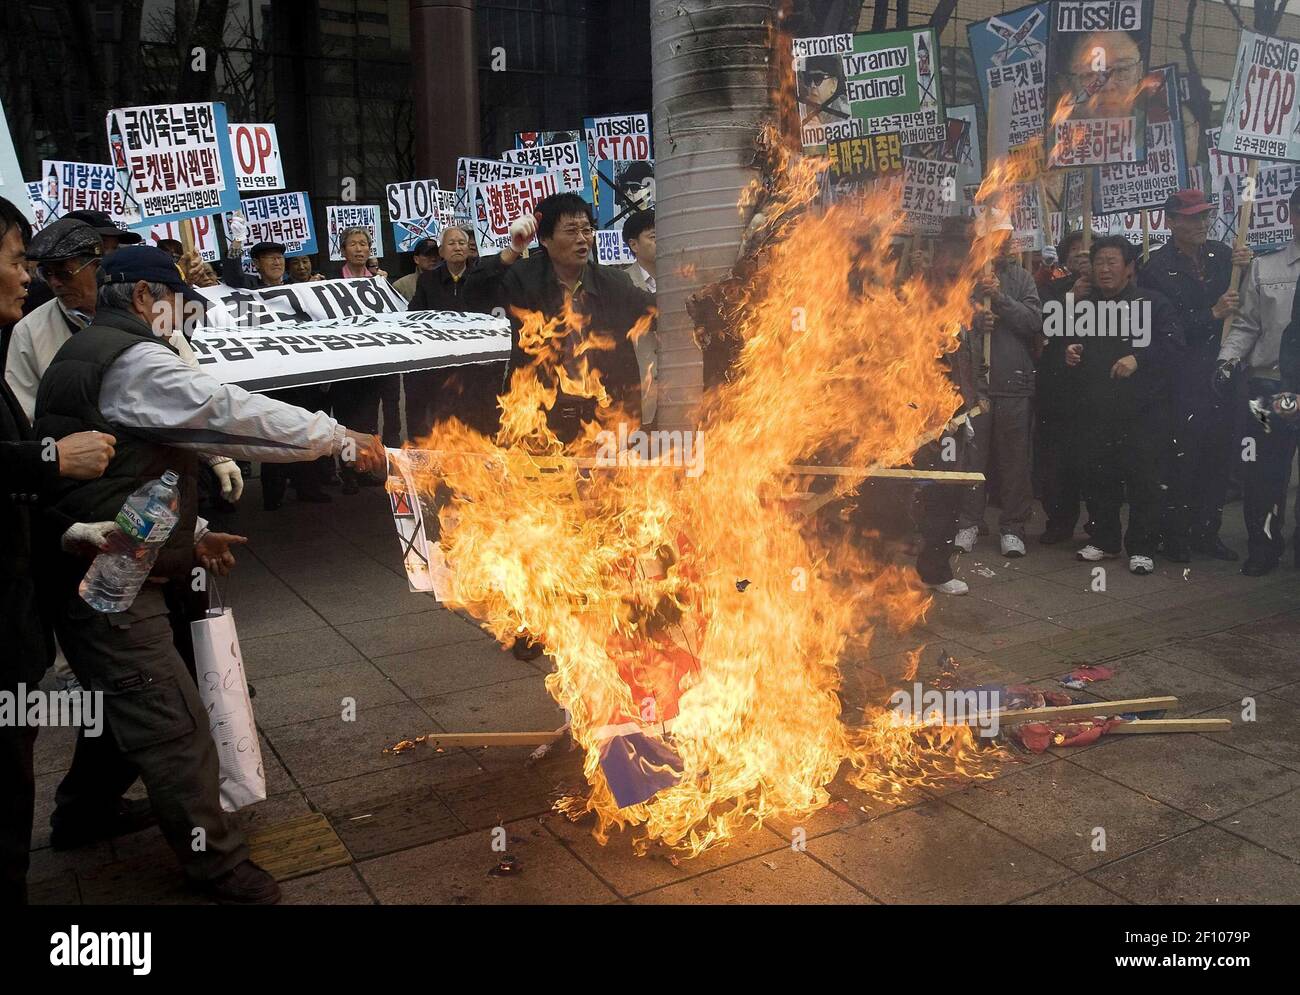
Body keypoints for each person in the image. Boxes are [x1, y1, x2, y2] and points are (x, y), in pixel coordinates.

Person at [31, 245, 384, 903]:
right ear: (144, 298)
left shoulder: (99, 352)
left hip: (114, 557)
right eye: (181, 309)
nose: (187, 324)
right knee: (171, 719)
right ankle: (215, 864)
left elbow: (133, 472)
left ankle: (82, 814)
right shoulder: (135, 361)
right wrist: (339, 437)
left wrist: (190, 535)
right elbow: (228, 416)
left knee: (120, 698)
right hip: (109, 573)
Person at [0, 195, 115, 905]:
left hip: (53, 567)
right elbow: (23, 455)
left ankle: (89, 802)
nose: (25, 276)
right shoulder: (27, 340)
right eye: (17, 261)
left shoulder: (141, 324)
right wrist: (51, 458)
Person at [1139, 188, 1249, 562]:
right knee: (1183, 459)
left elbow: (1245, 304)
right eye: (1191, 217)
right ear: (1170, 222)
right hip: (1182, 379)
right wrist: (1212, 315)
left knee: (1218, 458)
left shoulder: (1222, 256)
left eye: (1204, 216)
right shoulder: (1153, 268)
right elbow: (1161, 328)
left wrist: (1246, 268)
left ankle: (1208, 532)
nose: (1200, 223)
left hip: (1222, 373)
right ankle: (1176, 536)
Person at [490, 193, 652, 442]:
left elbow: (655, 310)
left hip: (605, 414)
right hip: (539, 415)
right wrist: (513, 250)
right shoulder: (523, 278)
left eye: (587, 230)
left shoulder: (613, 283)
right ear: (544, 238)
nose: (582, 240)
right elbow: (474, 295)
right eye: (571, 231)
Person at [1069, 235, 1185, 575]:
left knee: (1143, 479)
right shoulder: (1085, 306)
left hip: (1143, 411)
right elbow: (1068, 343)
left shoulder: (1153, 304)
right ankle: (1104, 540)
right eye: (1099, 262)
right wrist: (1071, 352)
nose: (1104, 269)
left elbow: (1175, 346)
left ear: (1129, 268)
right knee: (1099, 476)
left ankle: (1142, 545)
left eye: (1111, 262)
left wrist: (1139, 358)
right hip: (1098, 409)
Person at [1218, 186, 1300, 575]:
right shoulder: (1266, 268)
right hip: (1270, 387)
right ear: (1292, 215)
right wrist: (1227, 358)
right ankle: (1264, 546)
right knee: (1266, 474)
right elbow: (1247, 325)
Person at [954, 214, 1042, 558]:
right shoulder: (964, 279)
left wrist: (1002, 301)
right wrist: (977, 321)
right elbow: (946, 325)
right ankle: (968, 523)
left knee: (1014, 459)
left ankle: (1013, 526)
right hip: (976, 385)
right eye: (993, 237)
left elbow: (1034, 321)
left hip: (1013, 383)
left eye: (1004, 236)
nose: (1000, 243)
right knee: (972, 456)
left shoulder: (1021, 278)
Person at [406, 225, 505, 436]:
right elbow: (413, 315)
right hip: (441, 366)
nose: (458, 247)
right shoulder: (428, 280)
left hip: (477, 365)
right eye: (451, 243)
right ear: (441, 252)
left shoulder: (482, 277)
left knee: (478, 423)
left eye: (462, 243)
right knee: (443, 424)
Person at [5, 219, 101, 420]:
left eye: (64, 273)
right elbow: (24, 412)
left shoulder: (138, 307)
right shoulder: (29, 330)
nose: (55, 283)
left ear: (97, 267)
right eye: (46, 274)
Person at [332, 226, 400, 489]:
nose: (359, 249)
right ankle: (348, 470)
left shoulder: (379, 281)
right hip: (346, 363)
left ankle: (364, 467)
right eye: (353, 244)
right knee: (348, 420)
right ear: (343, 251)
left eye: (364, 244)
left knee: (369, 418)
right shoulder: (331, 281)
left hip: (375, 361)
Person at [1036, 230, 1092, 544]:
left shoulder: (1111, 290)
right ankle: (1059, 521)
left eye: (1089, 249)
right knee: (1056, 460)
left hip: (1095, 387)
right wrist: (1073, 296)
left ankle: (1099, 527)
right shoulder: (1053, 288)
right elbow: (1043, 323)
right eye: (1075, 249)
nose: (1081, 254)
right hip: (1058, 387)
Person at [622, 209, 660, 426]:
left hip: (682, 395)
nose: (661, 241)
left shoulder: (681, 279)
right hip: (641, 398)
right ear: (634, 245)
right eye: (653, 237)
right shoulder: (622, 282)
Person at [392, 237, 438, 301]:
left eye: (436, 254)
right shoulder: (401, 286)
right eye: (428, 255)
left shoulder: (450, 281)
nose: (433, 258)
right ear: (416, 259)